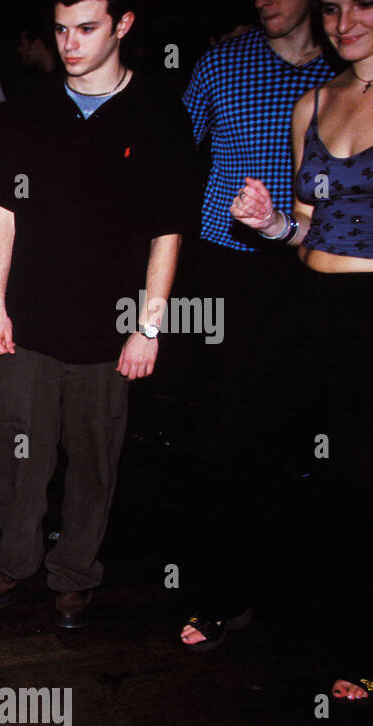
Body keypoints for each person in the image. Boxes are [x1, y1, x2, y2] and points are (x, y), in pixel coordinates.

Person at [0, 0, 198, 628]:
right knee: (19, 455)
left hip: (111, 329)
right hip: (27, 326)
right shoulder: (30, 109)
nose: (70, 44)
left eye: (87, 29)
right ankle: (14, 559)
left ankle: (75, 572)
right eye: (61, 30)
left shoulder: (158, 112)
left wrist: (149, 326)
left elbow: (168, 232)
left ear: (124, 24)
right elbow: (4, 212)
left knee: (95, 461)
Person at [225, 0, 373, 704]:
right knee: (257, 451)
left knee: (357, 479)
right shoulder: (312, 103)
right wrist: (272, 222)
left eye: (364, 5)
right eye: (335, 7)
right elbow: (311, 229)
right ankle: (244, 596)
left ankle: (362, 645)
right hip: (309, 303)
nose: (346, 21)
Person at [176, 0, 334, 651]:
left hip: (320, 268)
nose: (267, 2)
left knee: (309, 431)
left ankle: (303, 581)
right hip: (230, 265)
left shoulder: (342, 69)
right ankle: (226, 591)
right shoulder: (225, 60)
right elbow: (172, 144)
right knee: (231, 425)